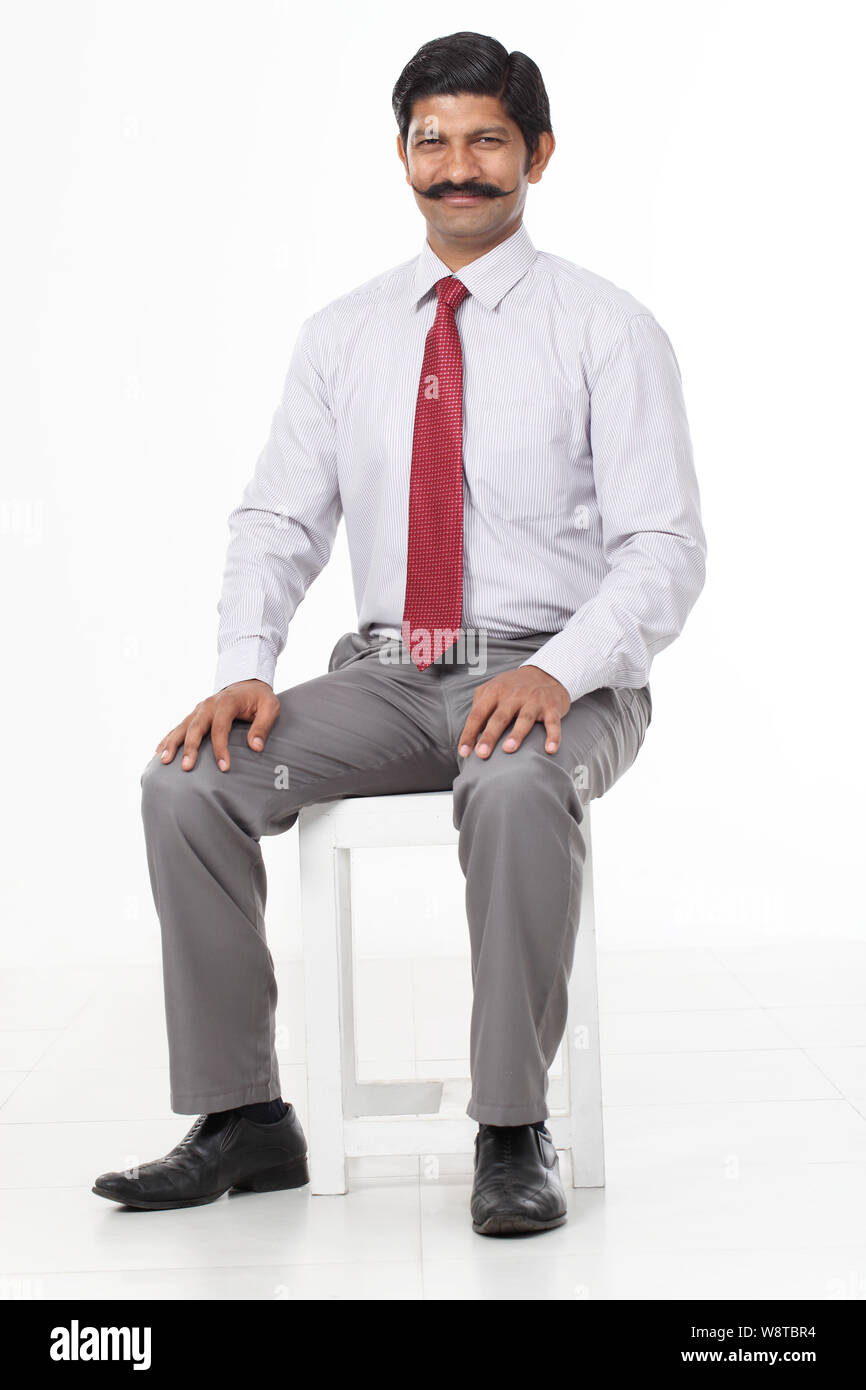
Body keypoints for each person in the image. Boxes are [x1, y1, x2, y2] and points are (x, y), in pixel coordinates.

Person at [92, 30, 706, 1237]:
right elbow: (275, 518)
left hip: (561, 671)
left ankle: (510, 1128)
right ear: (401, 155)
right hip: (391, 675)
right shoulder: (346, 335)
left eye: (486, 139)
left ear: (536, 152)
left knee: (517, 787)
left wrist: (553, 668)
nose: (458, 165)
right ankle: (245, 1117)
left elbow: (664, 549)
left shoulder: (604, 328)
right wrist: (242, 673)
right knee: (187, 785)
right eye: (434, 140)